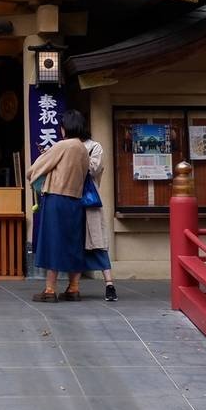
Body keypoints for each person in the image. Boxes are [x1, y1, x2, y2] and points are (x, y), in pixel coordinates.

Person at [27, 109, 91, 301]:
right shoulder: (83, 149)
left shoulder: (63, 146)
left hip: (56, 198)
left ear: (66, 127)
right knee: (73, 244)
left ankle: (49, 290)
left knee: (52, 242)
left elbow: (34, 170)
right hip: (76, 200)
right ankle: (73, 288)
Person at [83, 127, 115, 301]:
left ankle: (109, 284)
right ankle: (73, 286)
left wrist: (76, 157)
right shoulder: (64, 145)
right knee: (74, 243)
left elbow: (94, 169)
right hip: (70, 200)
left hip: (89, 201)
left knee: (98, 242)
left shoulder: (95, 146)